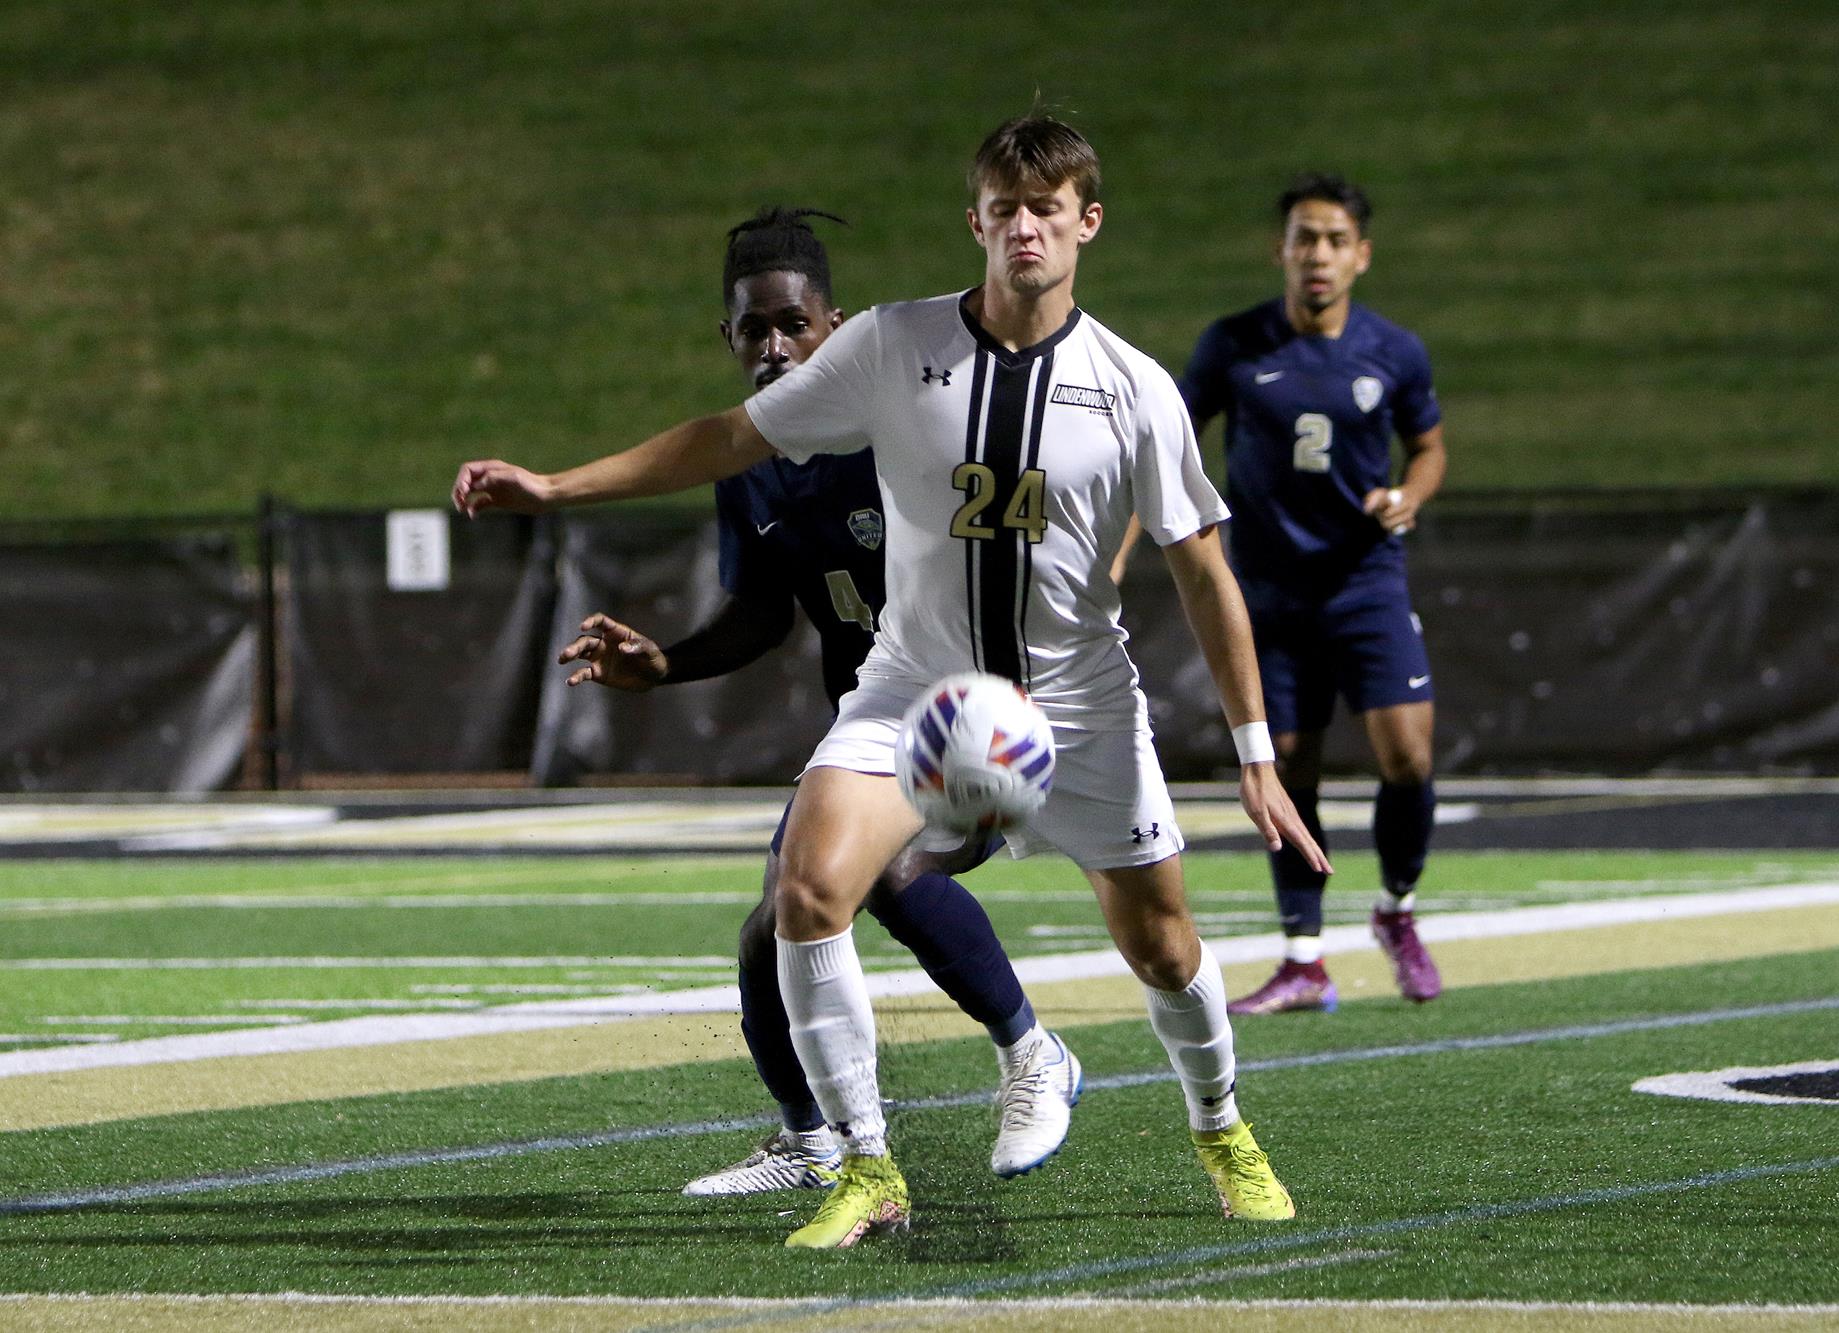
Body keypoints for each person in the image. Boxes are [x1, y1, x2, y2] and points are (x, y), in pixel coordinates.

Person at [454, 115, 1324, 1249]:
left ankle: (1219, 1126)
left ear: (1085, 225)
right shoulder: (884, 344)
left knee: (1161, 944)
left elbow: (1203, 574)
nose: (1024, 227)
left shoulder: (1133, 390)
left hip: (1077, 706)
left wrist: (1255, 757)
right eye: (1004, 208)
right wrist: (557, 487)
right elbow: (727, 436)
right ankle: (863, 1166)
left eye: (1046, 208)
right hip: (911, 691)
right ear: (974, 220)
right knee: (805, 889)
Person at [557, 207, 1079, 1196]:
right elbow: (760, 615)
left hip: (983, 708)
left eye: (792, 324)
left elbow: (1027, 537)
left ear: (834, 327)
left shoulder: (900, 429)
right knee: (776, 923)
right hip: (873, 730)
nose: (773, 346)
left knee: (887, 872)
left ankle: (1030, 1051)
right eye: (752, 328)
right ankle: (811, 1140)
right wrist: (661, 663)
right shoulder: (746, 465)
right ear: (727, 338)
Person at [1178, 173, 1447, 1014]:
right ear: (1281, 251)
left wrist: (1410, 493)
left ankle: (1396, 909)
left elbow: (1430, 447)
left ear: (1361, 256)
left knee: (1408, 754)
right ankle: (1303, 957)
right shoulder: (1234, 344)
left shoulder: (1394, 351)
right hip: (1265, 589)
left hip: (1364, 579)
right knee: (1289, 767)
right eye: (1304, 238)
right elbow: (1172, 443)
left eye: (1335, 240)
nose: (1318, 255)